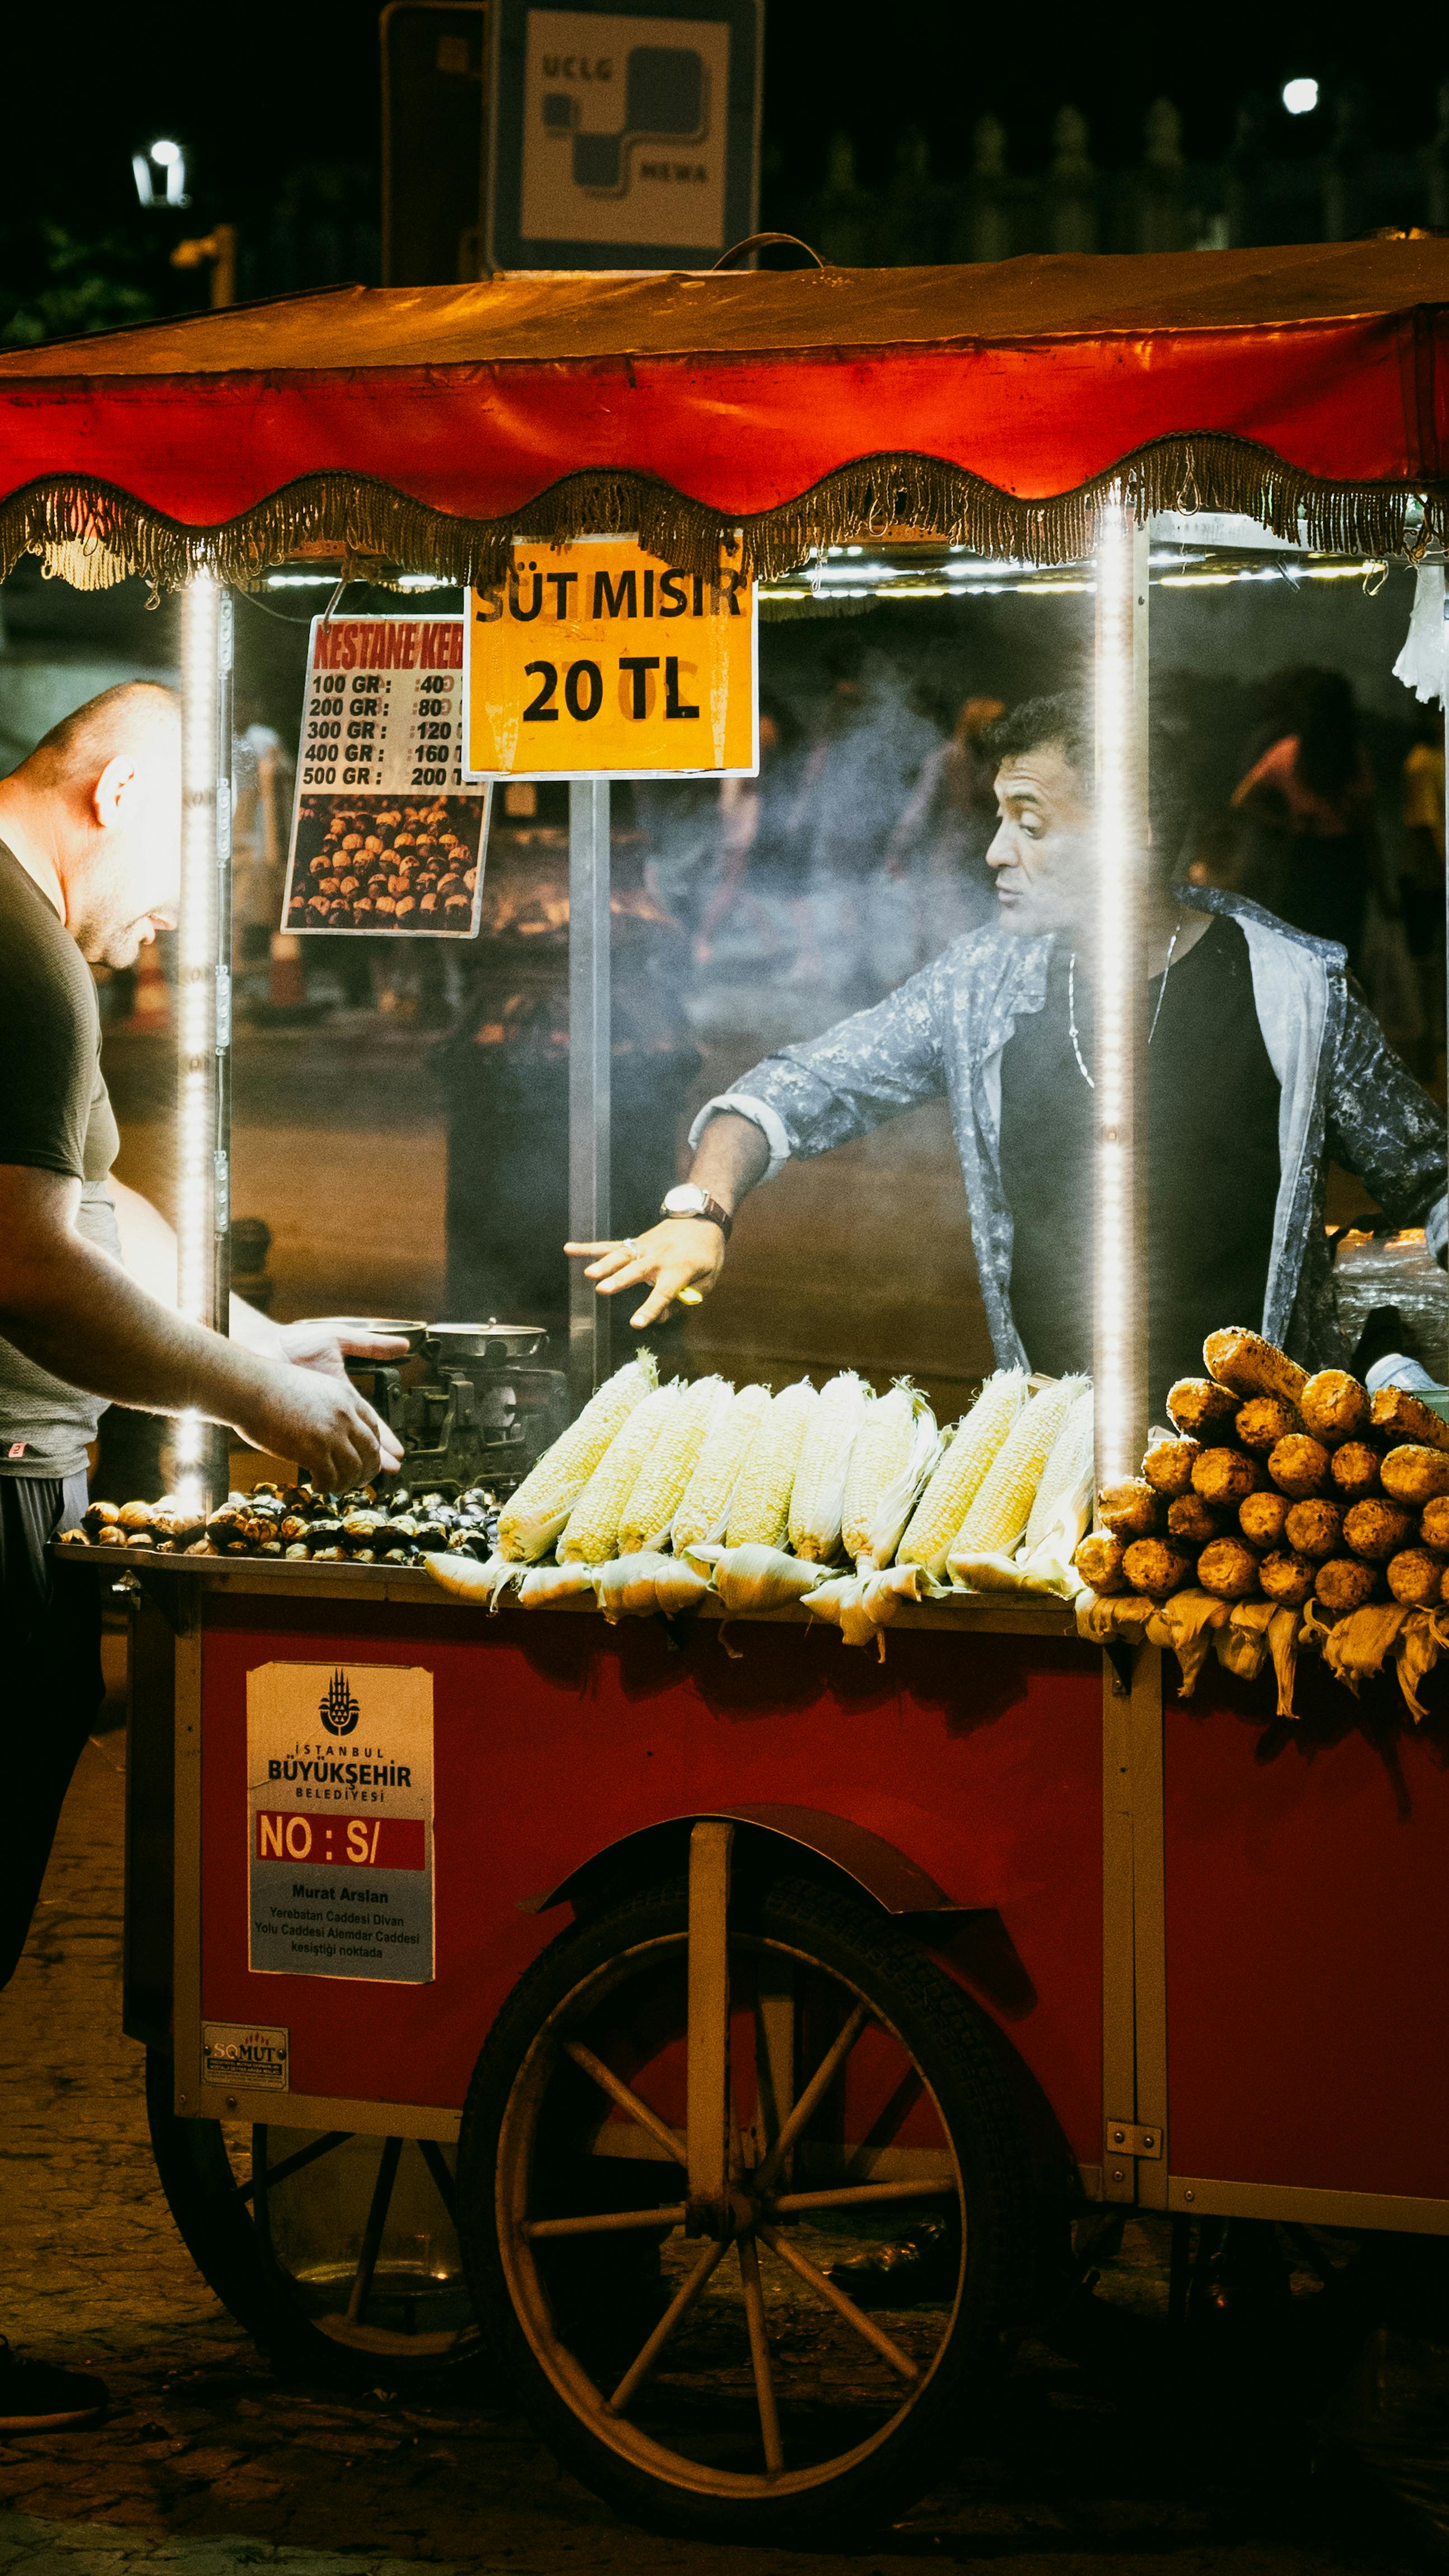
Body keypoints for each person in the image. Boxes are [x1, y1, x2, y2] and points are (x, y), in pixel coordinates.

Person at [0, 683, 403, 2434]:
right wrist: (242, 1391)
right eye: (188, 853)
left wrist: (244, 1328)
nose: (185, 915)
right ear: (125, 787)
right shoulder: (22, 952)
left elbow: (91, 1223)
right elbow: (21, 1264)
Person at [567, 694, 1447, 1402]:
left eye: (1029, 822)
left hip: (1255, 1466)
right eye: (997, 818)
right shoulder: (979, 985)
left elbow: (1429, 1175)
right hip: (1050, 1451)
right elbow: (797, 1087)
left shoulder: (1294, 989)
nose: (993, 852)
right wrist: (702, 1209)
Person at [1229, 668, 1380, 967]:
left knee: (1298, 954)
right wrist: (1383, 889)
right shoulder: (1354, 759)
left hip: (1302, 858)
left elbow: (1241, 801)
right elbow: (1368, 827)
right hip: (1346, 863)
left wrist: (1284, 823)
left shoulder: (1288, 753)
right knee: (1342, 958)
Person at [886, 692, 1006, 959]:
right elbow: (920, 811)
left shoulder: (984, 762)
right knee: (963, 934)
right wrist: (899, 848)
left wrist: (898, 849)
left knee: (963, 934)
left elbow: (918, 811)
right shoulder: (953, 761)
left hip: (973, 859)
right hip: (968, 859)